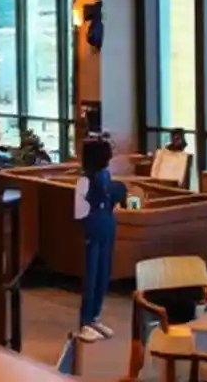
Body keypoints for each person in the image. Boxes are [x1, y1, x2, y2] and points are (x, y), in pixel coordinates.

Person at [74, 137, 116, 342]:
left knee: (103, 274)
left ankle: (95, 317)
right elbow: (80, 212)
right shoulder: (84, 180)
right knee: (91, 277)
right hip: (93, 229)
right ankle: (84, 321)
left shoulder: (106, 174)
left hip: (107, 227)